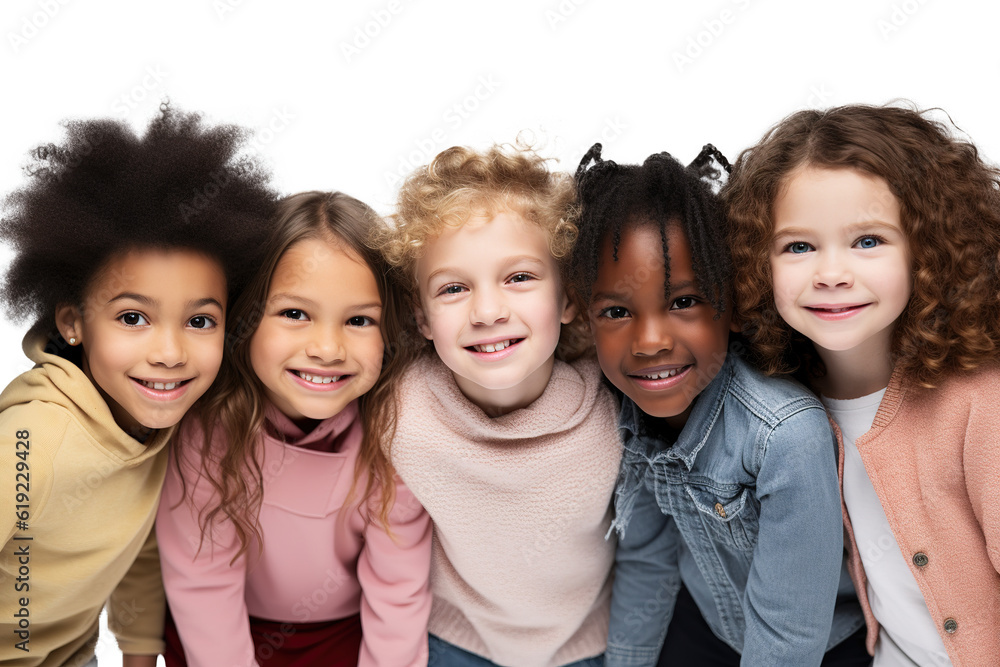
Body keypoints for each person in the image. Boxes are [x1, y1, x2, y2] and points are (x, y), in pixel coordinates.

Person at [569, 143, 868, 666]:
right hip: (707, 621)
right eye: (616, 310)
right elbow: (647, 561)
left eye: (684, 302)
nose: (650, 342)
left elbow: (789, 630)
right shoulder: (625, 405)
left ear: (732, 304)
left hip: (816, 646)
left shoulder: (784, 434)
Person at [0, 105, 276, 667]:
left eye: (199, 321)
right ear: (73, 323)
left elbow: (139, 547)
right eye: (133, 318)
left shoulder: (154, 424)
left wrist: (139, 653)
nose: (170, 353)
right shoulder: (31, 443)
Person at [725, 103, 1000, 666]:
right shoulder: (781, 402)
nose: (831, 273)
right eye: (798, 246)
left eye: (868, 241)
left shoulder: (982, 401)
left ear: (930, 250)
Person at [157, 191, 431, 667]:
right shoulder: (204, 432)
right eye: (295, 314)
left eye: (360, 320)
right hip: (218, 635)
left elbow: (398, 595)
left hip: (344, 638)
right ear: (245, 318)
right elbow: (203, 586)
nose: (327, 348)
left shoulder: (395, 433)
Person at [377, 143, 622, 667]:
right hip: (454, 642)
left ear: (569, 299)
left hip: (589, 645)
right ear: (422, 318)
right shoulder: (399, 414)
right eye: (453, 288)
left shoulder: (614, 409)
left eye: (519, 278)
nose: (488, 311)